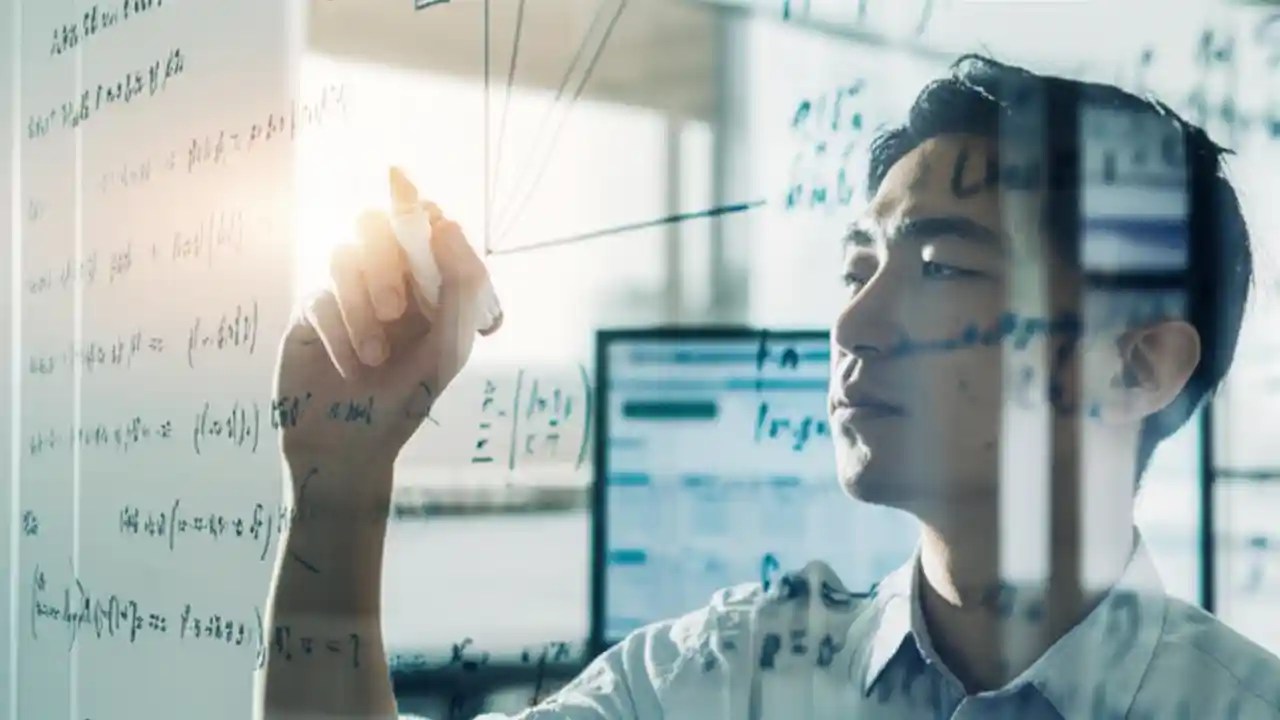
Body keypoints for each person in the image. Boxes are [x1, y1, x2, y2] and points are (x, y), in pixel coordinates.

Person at [257, 55, 1280, 719]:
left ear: (1133, 366)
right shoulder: (718, 677)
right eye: (855, 269)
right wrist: (341, 489)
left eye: (939, 269)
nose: (852, 324)